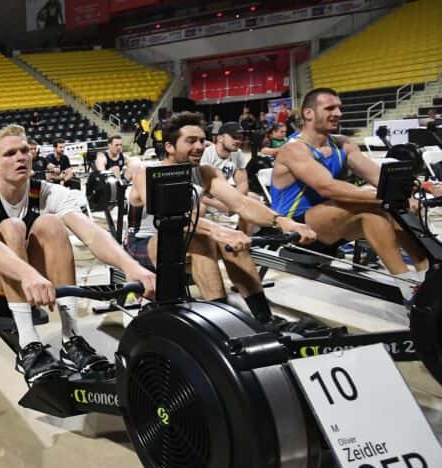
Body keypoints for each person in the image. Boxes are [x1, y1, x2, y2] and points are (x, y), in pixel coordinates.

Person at [0, 124, 155, 384]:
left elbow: (92, 234)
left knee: (51, 224)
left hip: (33, 285)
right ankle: (27, 345)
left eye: (24, 151)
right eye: (10, 154)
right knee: (12, 227)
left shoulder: (48, 191)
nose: (20, 157)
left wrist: (132, 267)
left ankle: (71, 339)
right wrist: (28, 274)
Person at [130, 112, 316, 327]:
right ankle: (222, 324)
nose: (199, 146)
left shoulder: (206, 172)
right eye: (190, 141)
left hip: (184, 238)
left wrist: (284, 222)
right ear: (170, 146)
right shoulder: (148, 173)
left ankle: (265, 320)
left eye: (202, 140)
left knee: (230, 243)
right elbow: (168, 215)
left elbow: (241, 203)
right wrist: (218, 231)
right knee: (203, 240)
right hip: (144, 243)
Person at [271, 87, 429, 301]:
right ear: (308, 113)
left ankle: (428, 275)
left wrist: (415, 190)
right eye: (330, 108)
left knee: (399, 207)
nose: (338, 113)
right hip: (294, 226)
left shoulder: (342, 144)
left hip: (331, 221)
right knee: (373, 212)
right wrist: (388, 196)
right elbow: (327, 187)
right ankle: (410, 290)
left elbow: (377, 176)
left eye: (339, 108)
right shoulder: (294, 149)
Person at [200, 121, 251, 229]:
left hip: (222, 196)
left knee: (254, 201)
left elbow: (242, 184)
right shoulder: (206, 154)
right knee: (201, 208)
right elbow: (196, 193)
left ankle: (245, 240)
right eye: (234, 137)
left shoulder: (238, 153)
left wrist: (232, 203)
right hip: (204, 198)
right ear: (220, 138)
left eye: (240, 137)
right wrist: (218, 204)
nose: (238, 141)